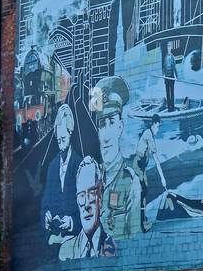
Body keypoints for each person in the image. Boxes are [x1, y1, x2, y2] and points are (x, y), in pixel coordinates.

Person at [94, 76, 143, 241]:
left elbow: (134, 243)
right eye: (101, 124)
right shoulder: (90, 180)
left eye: (112, 122)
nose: (106, 135)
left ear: (120, 126)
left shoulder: (130, 183)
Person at [59, 156, 116, 260]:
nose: (86, 205)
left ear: (101, 196)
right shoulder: (65, 251)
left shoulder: (113, 247)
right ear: (77, 200)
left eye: (92, 193)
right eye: (81, 195)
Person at [41, 104, 80, 246]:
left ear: (70, 133)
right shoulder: (52, 167)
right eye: (58, 141)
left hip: (75, 237)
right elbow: (45, 204)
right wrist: (46, 216)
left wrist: (71, 222)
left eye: (63, 140)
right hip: (55, 238)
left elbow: (89, 206)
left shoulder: (79, 164)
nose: (61, 145)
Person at [134, 115, 167, 233]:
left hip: (141, 166)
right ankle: (143, 224)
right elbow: (156, 158)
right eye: (157, 127)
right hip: (139, 166)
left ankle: (142, 218)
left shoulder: (147, 133)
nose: (158, 130)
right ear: (153, 125)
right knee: (143, 193)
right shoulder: (149, 135)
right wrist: (163, 178)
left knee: (144, 192)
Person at [162, 44, 178, 112]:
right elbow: (163, 67)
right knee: (167, 93)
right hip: (166, 78)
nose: (168, 49)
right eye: (167, 47)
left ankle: (172, 106)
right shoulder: (165, 57)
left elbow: (174, 67)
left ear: (171, 48)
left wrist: (177, 76)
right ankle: (169, 107)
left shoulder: (172, 57)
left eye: (169, 47)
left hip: (171, 77)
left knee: (172, 93)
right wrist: (163, 75)